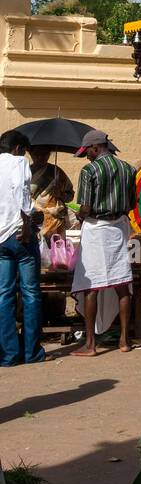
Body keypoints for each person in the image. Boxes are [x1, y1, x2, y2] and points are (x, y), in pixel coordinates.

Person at [71, 129, 135, 356]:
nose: (86, 156)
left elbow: (85, 207)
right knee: (122, 284)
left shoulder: (90, 170)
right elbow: (132, 204)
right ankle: (124, 341)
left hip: (96, 231)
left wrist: (77, 213)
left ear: (96, 148)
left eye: (87, 152)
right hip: (118, 229)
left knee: (92, 287)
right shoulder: (129, 169)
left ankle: (90, 345)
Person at [0, 129, 44, 367]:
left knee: (4, 294)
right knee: (30, 293)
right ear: (18, 148)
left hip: (0, 240)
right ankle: (31, 351)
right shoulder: (18, 162)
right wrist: (27, 223)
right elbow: (21, 191)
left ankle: (8, 354)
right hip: (19, 236)